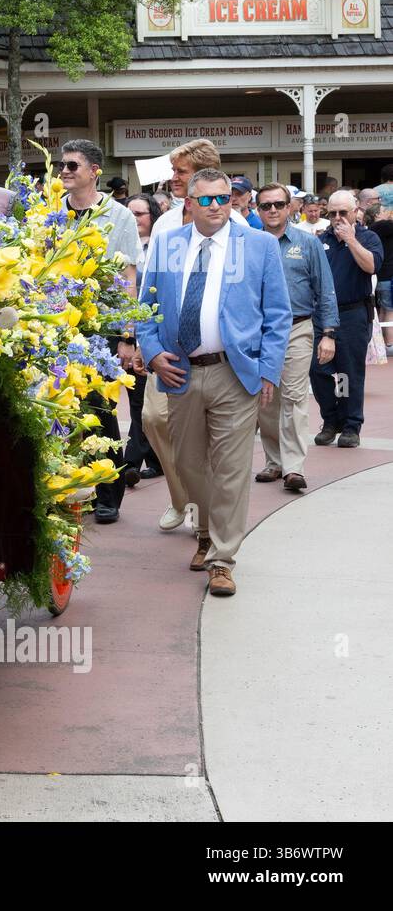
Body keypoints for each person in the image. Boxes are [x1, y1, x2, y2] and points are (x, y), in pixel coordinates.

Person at [136, 168, 291, 596]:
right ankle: (205, 528)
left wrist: (268, 369)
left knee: (231, 469)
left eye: (224, 198)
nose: (217, 207)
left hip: (234, 373)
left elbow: (277, 314)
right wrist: (151, 353)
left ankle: (222, 558)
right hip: (180, 371)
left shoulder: (257, 246)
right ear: (190, 203)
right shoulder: (169, 245)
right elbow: (145, 306)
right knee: (189, 464)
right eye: (206, 200)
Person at [145, 139, 247, 532]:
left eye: (181, 172)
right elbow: (149, 292)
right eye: (174, 173)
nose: (174, 180)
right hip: (169, 354)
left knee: (216, 451)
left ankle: (208, 526)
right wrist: (146, 346)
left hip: (223, 363)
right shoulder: (166, 226)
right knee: (154, 419)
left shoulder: (240, 233)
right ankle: (181, 496)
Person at [58, 139, 141, 525]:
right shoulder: (50, 212)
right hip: (55, 327)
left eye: (73, 166)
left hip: (100, 328)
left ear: (94, 171)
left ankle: (109, 492)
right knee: (59, 410)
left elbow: (127, 276)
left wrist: (127, 334)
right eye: (62, 165)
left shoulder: (118, 216)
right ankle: (67, 488)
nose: (65, 171)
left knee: (100, 412)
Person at [253, 182, 338, 492]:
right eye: (266, 205)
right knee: (265, 401)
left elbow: (324, 289)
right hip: (258, 334)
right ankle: (274, 462)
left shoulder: (307, 243)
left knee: (294, 397)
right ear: (257, 210)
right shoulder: (249, 243)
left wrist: (328, 333)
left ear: (291, 207)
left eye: (278, 204)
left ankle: (293, 468)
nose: (273, 210)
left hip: (297, 328)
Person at [310, 189, 384, 449]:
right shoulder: (320, 241)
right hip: (322, 313)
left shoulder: (368, 237)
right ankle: (331, 420)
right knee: (317, 370)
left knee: (348, 372)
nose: (338, 218)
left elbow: (371, 266)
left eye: (343, 212)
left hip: (353, 313)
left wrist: (351, 240)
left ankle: (351, 425)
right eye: (333, 213)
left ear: (355, 212)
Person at [119, 193, 163, 485]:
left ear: (152, 217)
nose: (135, 219)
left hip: (148, 332)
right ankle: (157, 459)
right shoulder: (119, 246)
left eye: (140, 214)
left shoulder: (159, 248)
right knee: (133, 401)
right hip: (122, 331)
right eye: (130, 213)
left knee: (141, 403)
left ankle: (130, 462)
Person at [369, 184, 393, 350]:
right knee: (389, 309)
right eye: (385, 211)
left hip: (381, 274)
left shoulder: (374, 228)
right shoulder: (382, 226)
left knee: (384, 309)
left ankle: (385, 342)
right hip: (386, 274)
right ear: (378, 214)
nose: (389, 213)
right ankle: (390, 343)